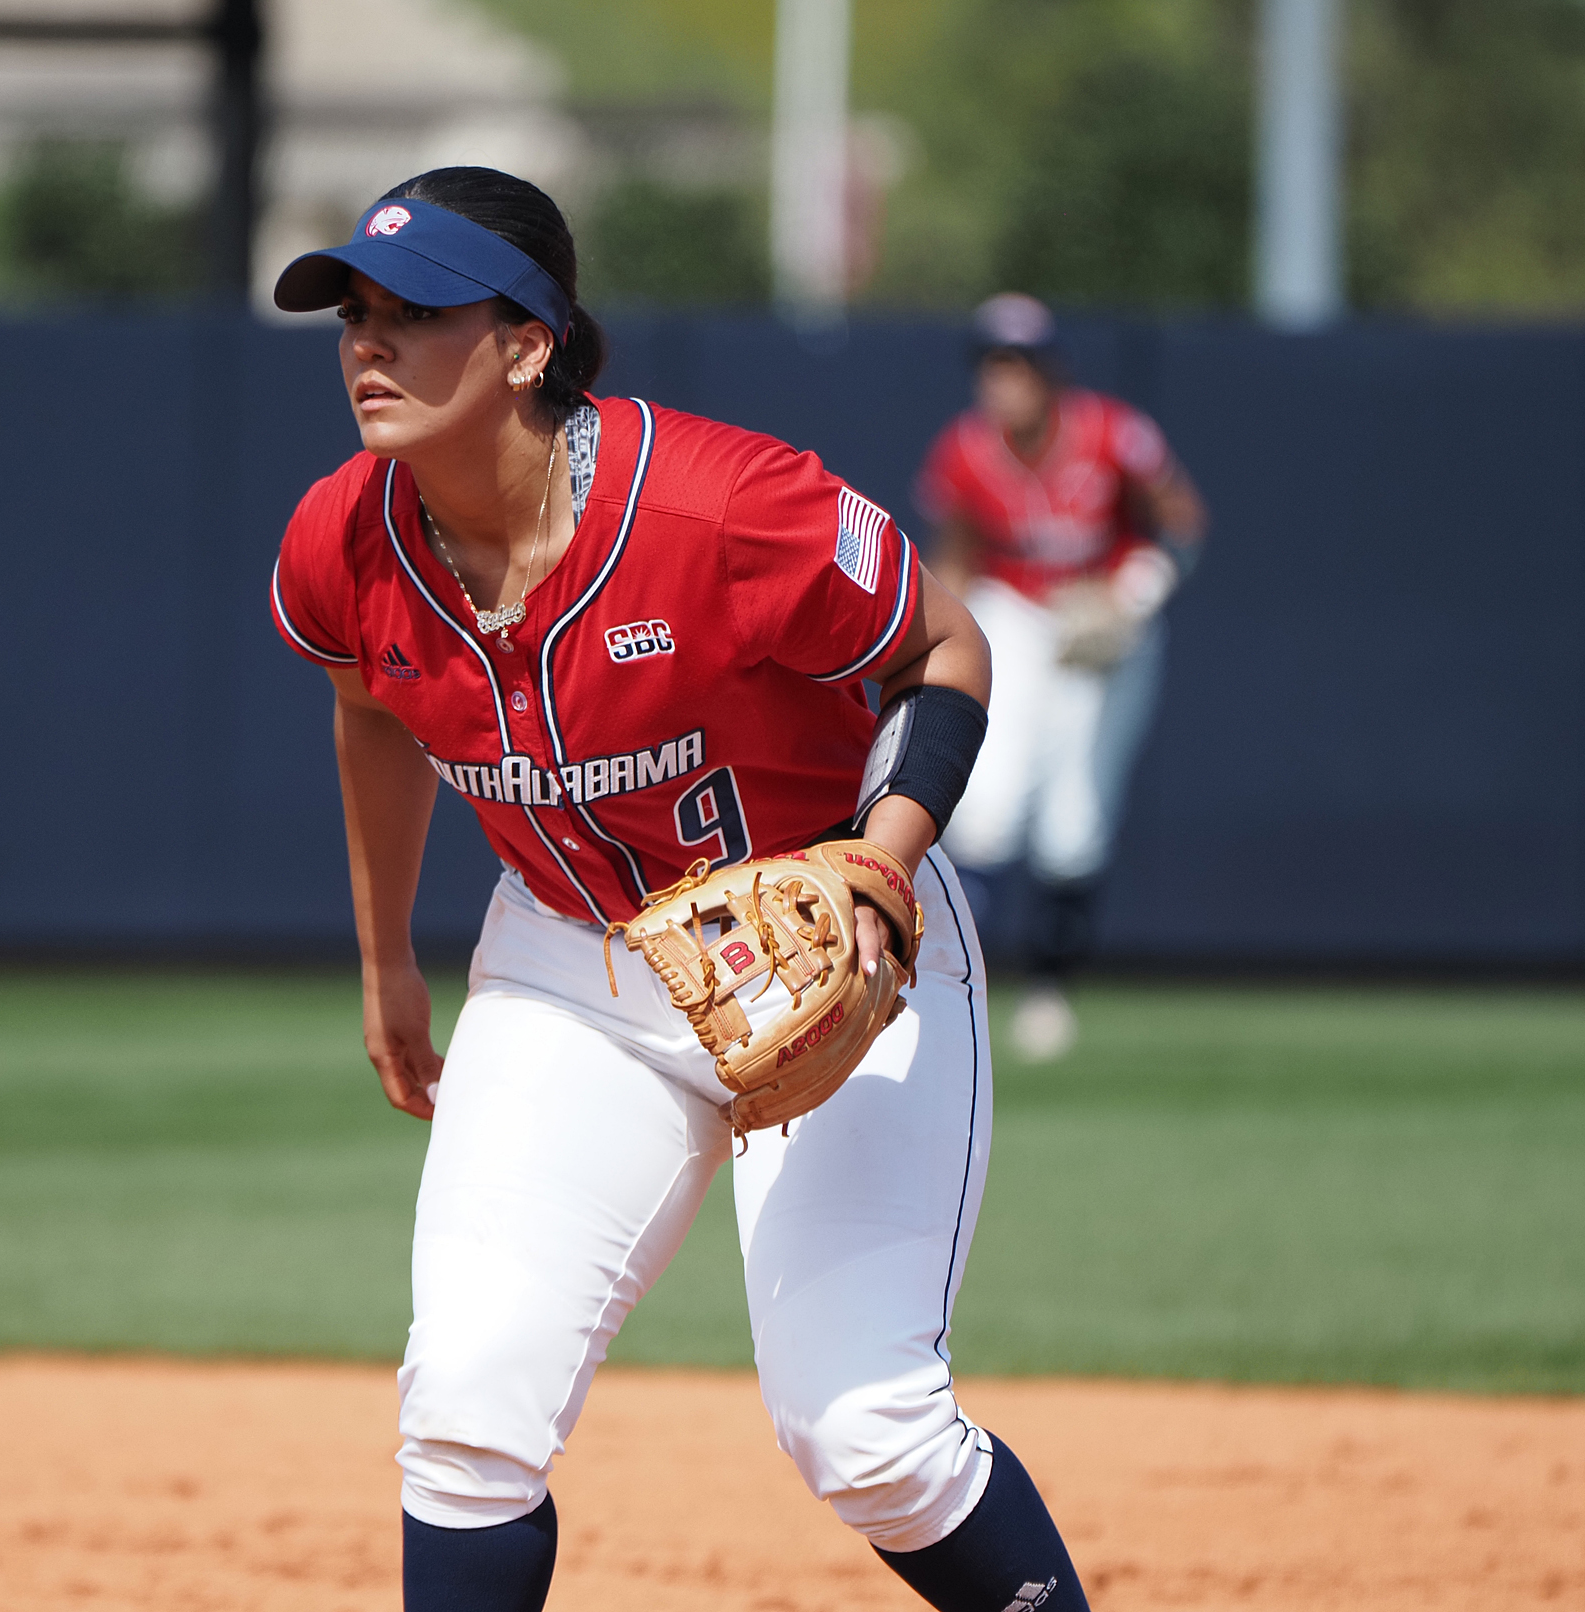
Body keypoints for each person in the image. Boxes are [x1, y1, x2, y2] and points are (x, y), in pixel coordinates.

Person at [270, 167, 1094, 1612]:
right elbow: (371, 707)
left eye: (415, 313)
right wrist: (386, 958)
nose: (367, 345)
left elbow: (944, 649)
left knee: (868, 1434)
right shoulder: (346, 540)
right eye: (353, 313)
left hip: (828, 937)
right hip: (569, 966)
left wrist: (883, 868)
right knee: (464, 1407)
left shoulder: (719, 506)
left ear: (527, 342)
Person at [916, 294, 1206, 1061]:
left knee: (1075, 819)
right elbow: (957, 556)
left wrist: (1139, 587)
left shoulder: (1112, 433)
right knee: (989, 806)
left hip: (1106, 619)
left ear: (1051, 370)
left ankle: (1049, 991)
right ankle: (947, 983)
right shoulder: (967, 450)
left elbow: (1181, 517)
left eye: (1018, 365)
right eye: (992, 366)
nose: (1004, 381)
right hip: (1016, 612)